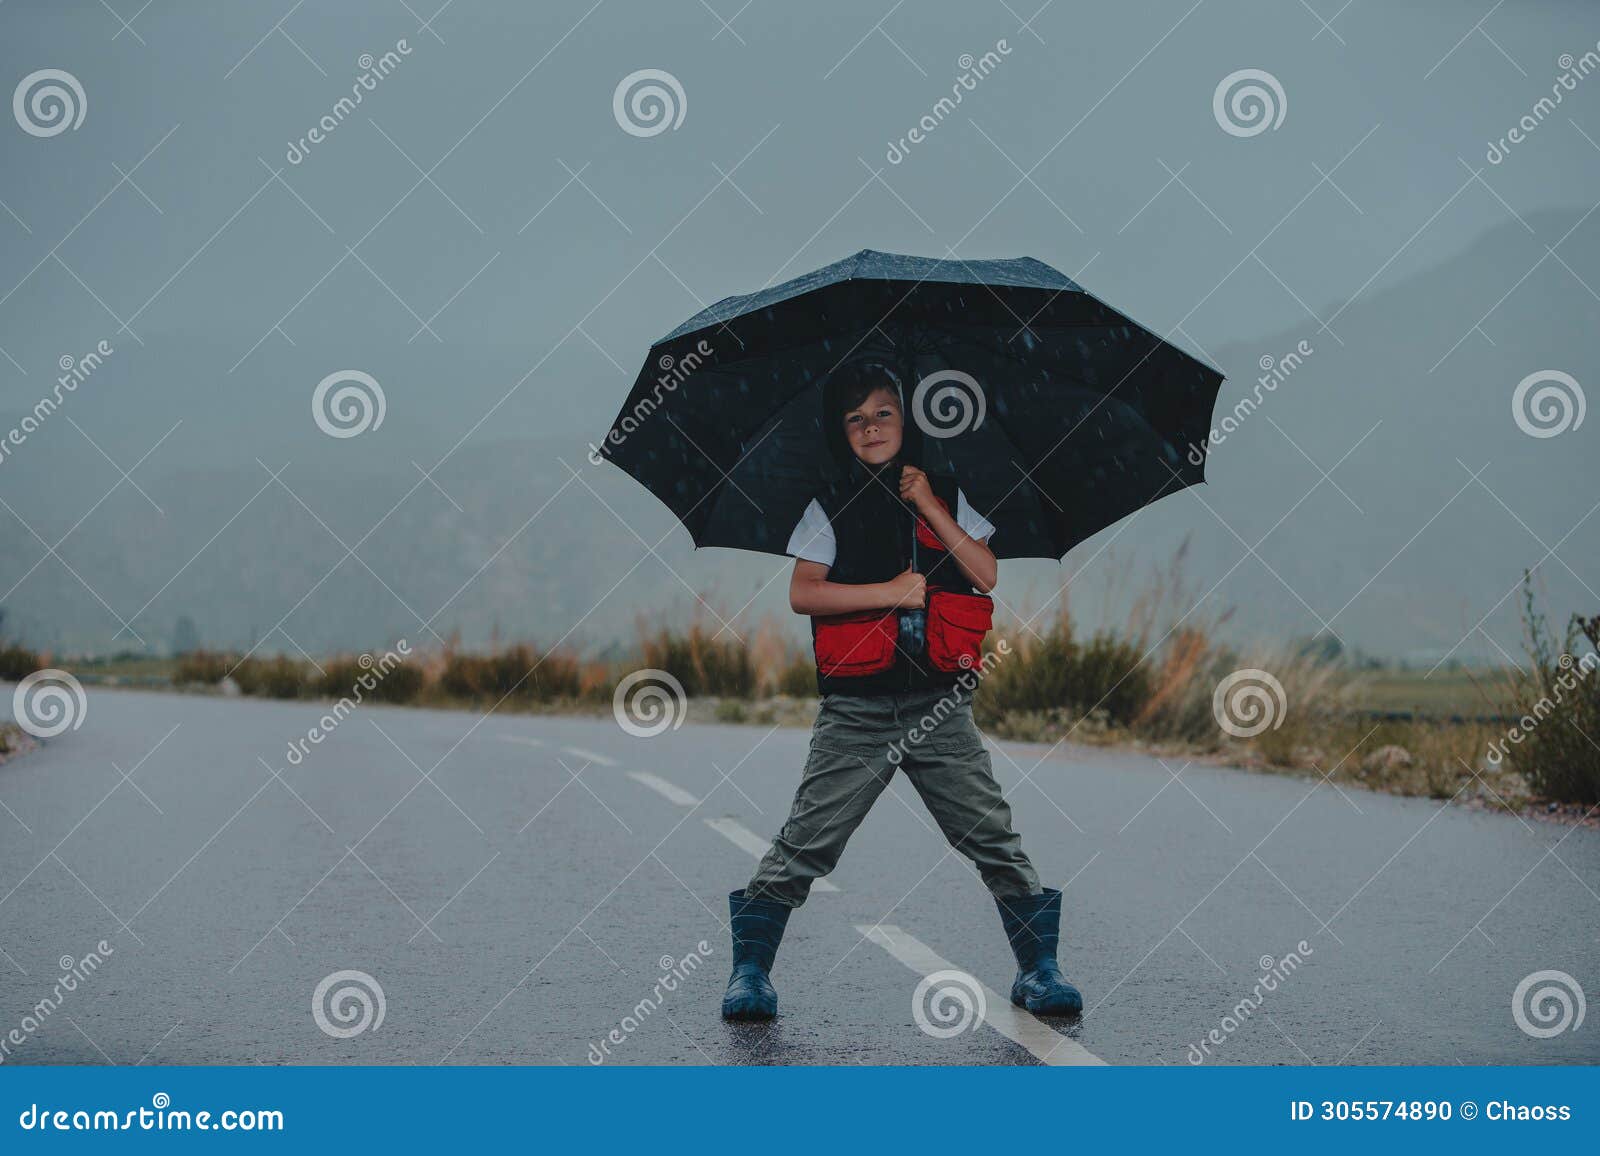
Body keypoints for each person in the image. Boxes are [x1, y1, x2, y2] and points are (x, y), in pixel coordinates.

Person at [720, 360, 1083, 1022]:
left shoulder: (944, 490)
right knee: (808, 840)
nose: (870, 428)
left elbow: (985, 572)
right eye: (855, 419)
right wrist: (887, 592)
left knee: (991, 833)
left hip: (940, 705)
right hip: (856, 711)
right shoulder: (827, 503)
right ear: (843, 432)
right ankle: (750, 972)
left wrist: (932, 507)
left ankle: (1039, 969)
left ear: (908, 420)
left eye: (883, 413)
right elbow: (805, 592)